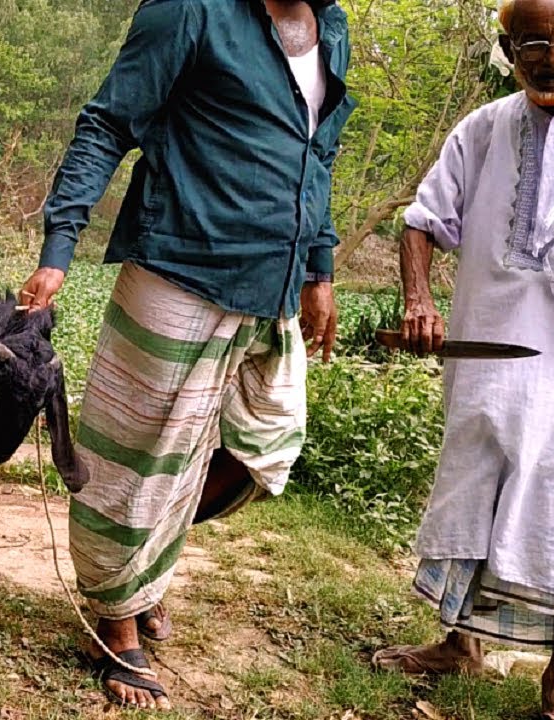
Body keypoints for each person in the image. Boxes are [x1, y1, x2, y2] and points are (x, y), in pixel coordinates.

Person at [19, 0, 356, 709]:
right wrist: (61, 243)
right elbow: (108, 121)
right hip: (181, 267)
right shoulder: (190, 11)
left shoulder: (330, 27)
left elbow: (317, 154)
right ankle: (115, 619)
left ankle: (140, 567)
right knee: (138, 456)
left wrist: (320, 270)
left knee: (265, 441)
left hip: (274, 280)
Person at [371, 1, 554, 718]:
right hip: (488, 347)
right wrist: (418, 300)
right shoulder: (482, 129)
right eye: (535, 41)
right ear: (507, 47)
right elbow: (421, 220)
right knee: (471, 489)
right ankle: (460, 646)